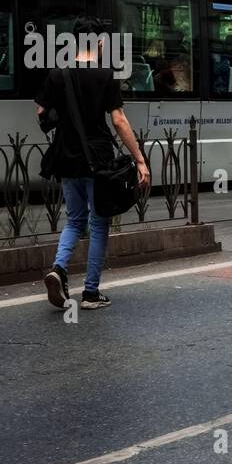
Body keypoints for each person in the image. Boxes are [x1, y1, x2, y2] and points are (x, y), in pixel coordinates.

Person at [36, 16, 151, 310]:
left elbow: (41, 113)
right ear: (99, 42)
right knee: (99, 223)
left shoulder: (56, 75)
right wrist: (139, 159)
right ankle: (90, 293)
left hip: (65, 157)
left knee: (74, 220)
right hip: (97, 159)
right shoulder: (105, 75)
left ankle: (58, 269)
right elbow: (119, 120)